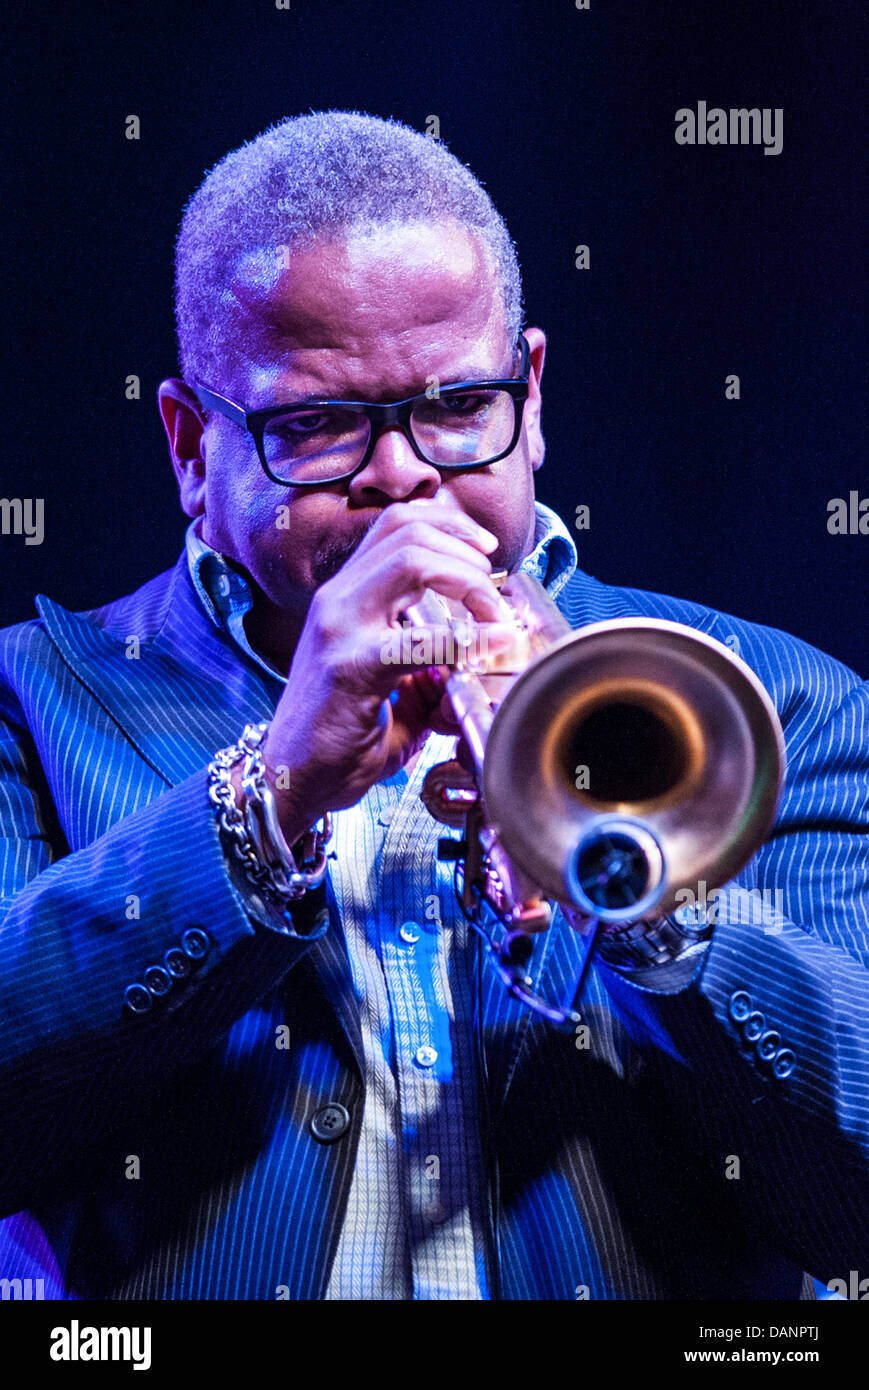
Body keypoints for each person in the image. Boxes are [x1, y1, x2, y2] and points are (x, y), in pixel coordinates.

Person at [0, 111, 866, 1301]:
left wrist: (631, 882)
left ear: (533, 393)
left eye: (458, 406)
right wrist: (272, 796)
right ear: (195, 448)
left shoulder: (764, 705)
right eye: (315, 424)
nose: (404, 474)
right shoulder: (30, 702)